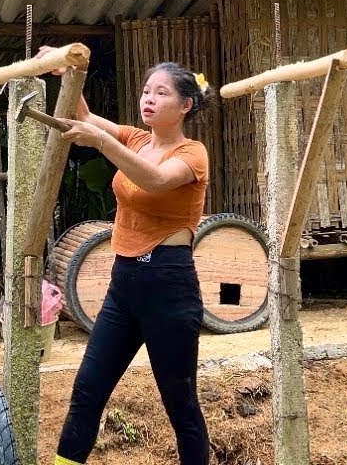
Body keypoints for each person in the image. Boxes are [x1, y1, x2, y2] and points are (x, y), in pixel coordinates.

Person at [35, 48, 212, 465]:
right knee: (88, 389)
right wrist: (70, 73)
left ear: (185, 105)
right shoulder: (135, 138)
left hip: (169, 287)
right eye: (146, 91)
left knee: (180, 405)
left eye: (161, 93)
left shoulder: (192, 154)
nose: (148, 98)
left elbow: (151, 179)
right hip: (124, 286)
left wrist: (100, 141)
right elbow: (89, 119)